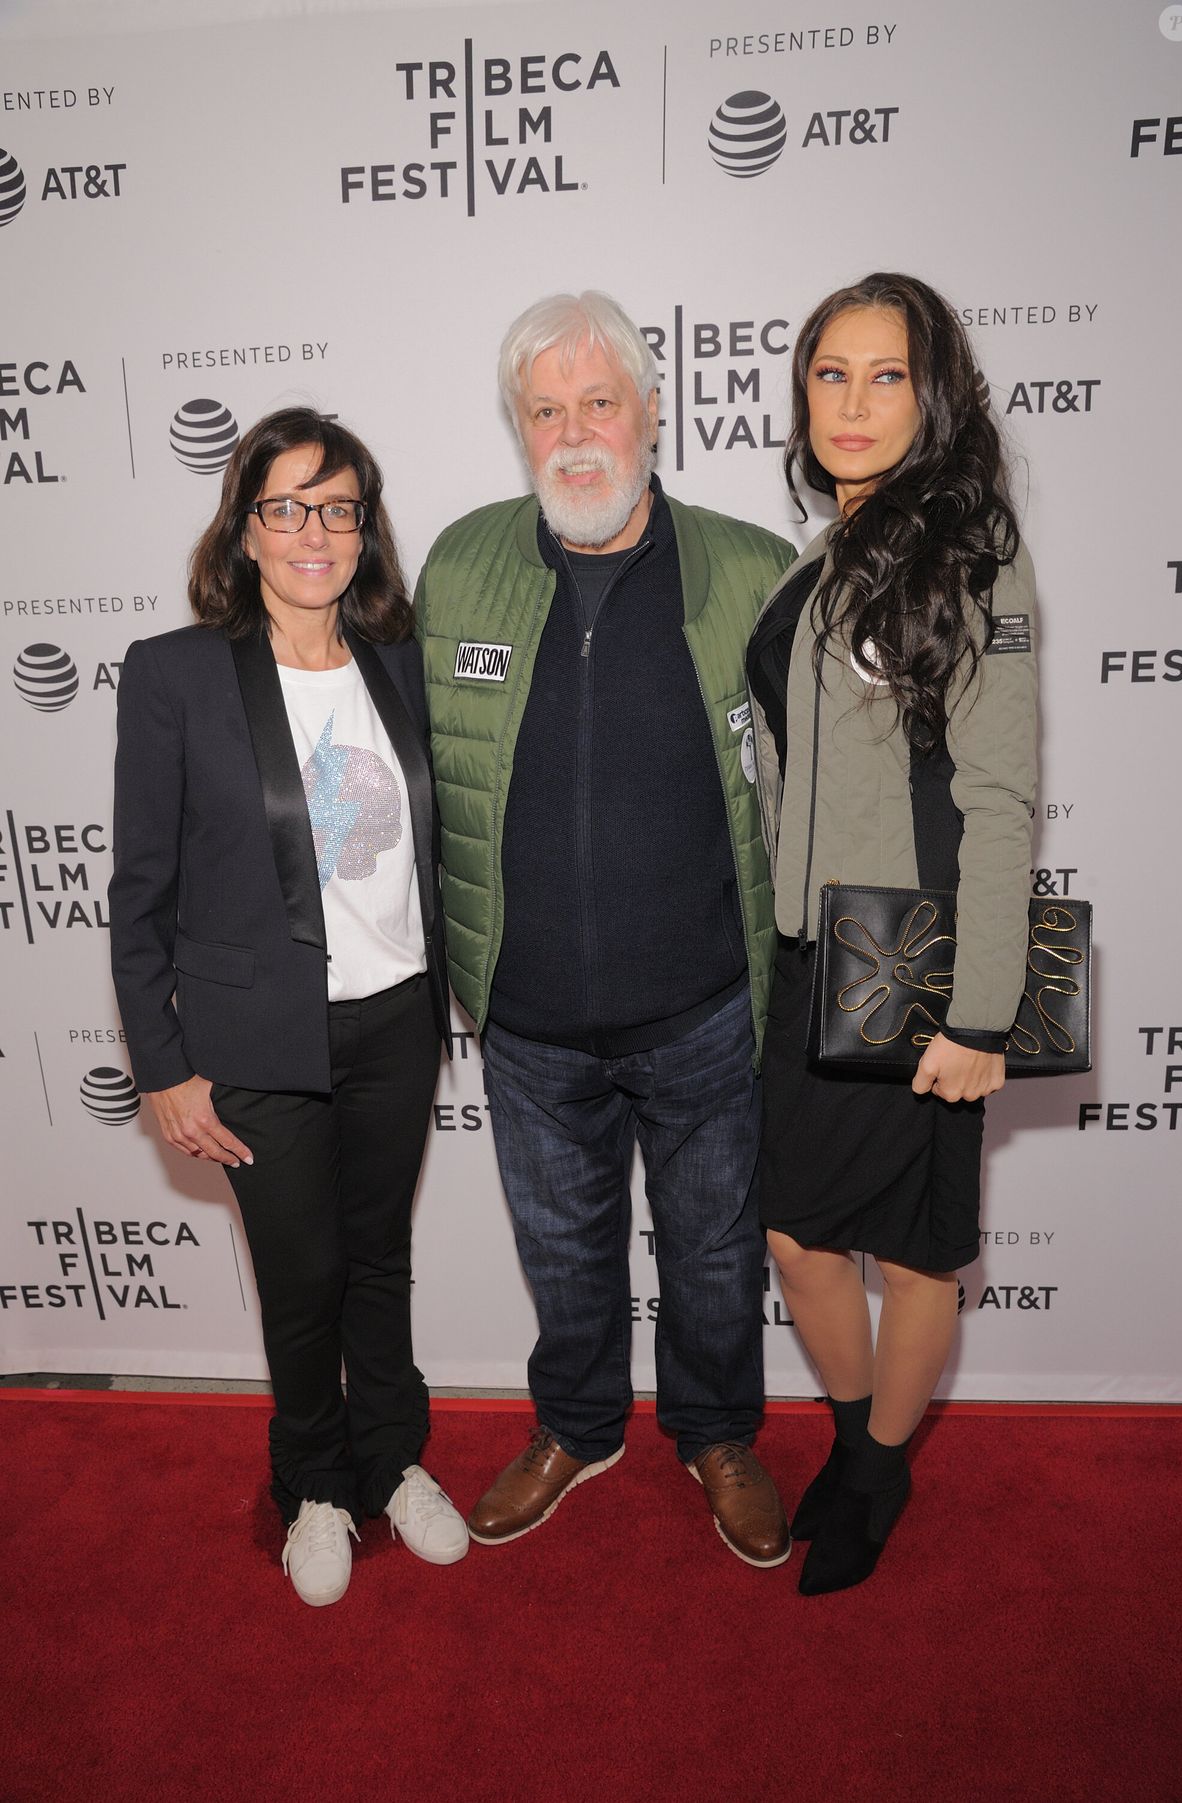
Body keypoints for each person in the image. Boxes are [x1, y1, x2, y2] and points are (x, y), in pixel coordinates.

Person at [415, 291, 796, 1567]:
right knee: (564, 1254)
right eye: (545, 410)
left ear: (648, 411)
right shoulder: (461, 564)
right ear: (518, 430)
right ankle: (577, 1427)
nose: (575, 433)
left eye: (599, 402)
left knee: (711, 1252)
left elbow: (823, 782)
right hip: (527, 1024)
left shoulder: (747, 567)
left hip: (702, 1009)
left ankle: (717, 1434)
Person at [109, 407, 469, 1606]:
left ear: (365, 530)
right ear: (245, 527)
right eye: (286, 506)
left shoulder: (399, 663)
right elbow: (141, 889)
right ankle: (314, 1482)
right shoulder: (175, 675)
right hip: (260, 1038)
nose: (313, 531)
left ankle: (393, 1460)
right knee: (301, 1273)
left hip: (398, 1019)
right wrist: (162, 1065)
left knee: (380, 1262)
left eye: (338, 508)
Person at [747, 274, 1038, 1594]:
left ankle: (875, 1464)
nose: (853, 402)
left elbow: (997, 791)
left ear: (933, 394)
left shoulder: (973, 545)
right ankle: (862, 1431)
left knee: (915, 1243)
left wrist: (982, 1014)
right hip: (812, 952)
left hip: (916, 954)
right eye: (830, 373)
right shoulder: (820, 552)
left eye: (885, 374)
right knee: (800, 1236)